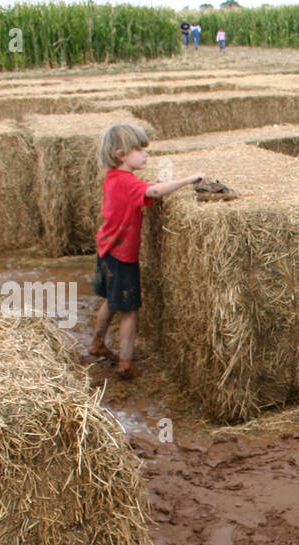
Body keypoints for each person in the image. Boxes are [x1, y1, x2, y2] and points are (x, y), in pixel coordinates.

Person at [90, 123, 205, 379]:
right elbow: (151, 191)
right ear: (122, 154)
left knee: (111, 299)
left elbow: (141, 191)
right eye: (140, 150)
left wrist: (148, 185)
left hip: (106, 250)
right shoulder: (128, 183)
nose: (146, 154)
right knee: (130, 309)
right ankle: (125, 362)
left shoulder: (114, 177)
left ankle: (97, 342)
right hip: (122, 256)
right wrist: (186, 180)